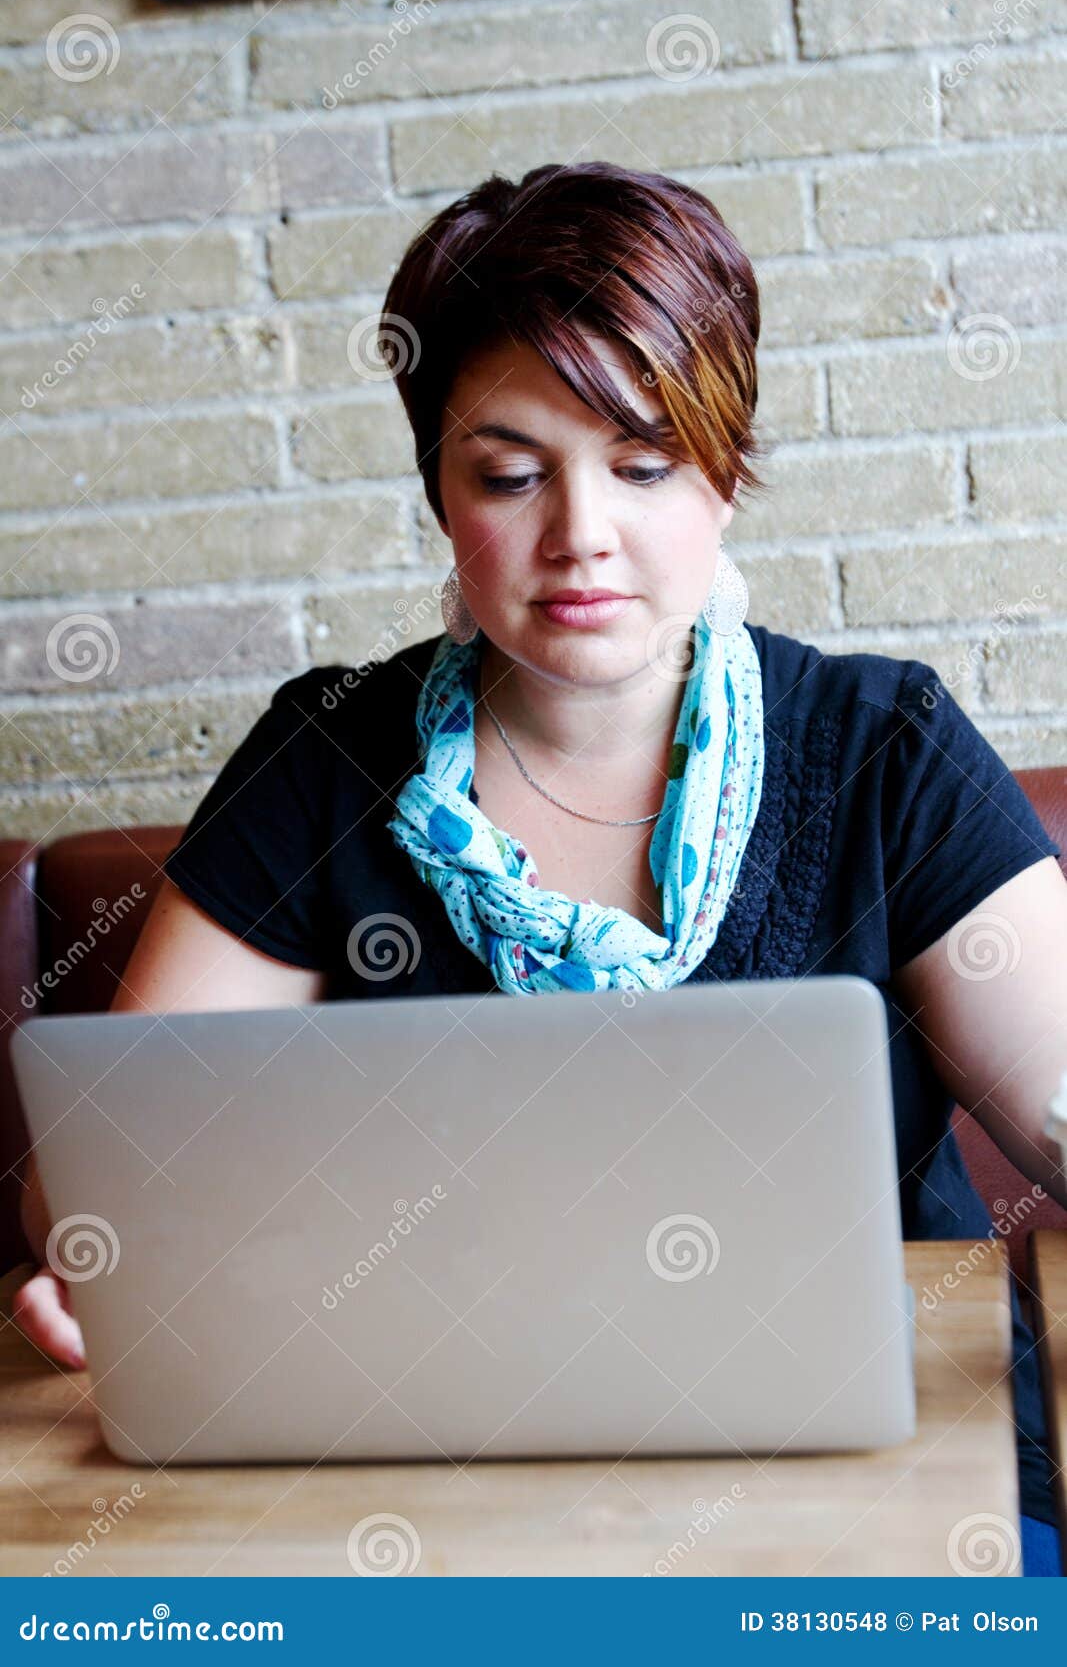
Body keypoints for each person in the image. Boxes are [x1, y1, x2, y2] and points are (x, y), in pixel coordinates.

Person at [15, 162, 1067, 1577]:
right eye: (510, 473)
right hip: (444, 1490)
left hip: (876, 1495)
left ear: (726, 469)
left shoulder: (885, 749)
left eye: (643, 464)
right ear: (439, 489)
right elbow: (122, 1158)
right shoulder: (329, 759)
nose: (581, 535)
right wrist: (107, 1252)